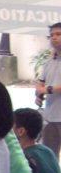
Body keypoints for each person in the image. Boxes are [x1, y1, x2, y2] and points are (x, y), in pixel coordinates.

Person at [37, 21, 61, 152]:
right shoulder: (49, 61)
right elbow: (41, 81)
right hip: (50, 117)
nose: (54, 37)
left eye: (58, 34)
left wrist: (47, 89)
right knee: (50, 155)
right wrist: (38, 93)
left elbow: (46, 87)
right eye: (52, 35)